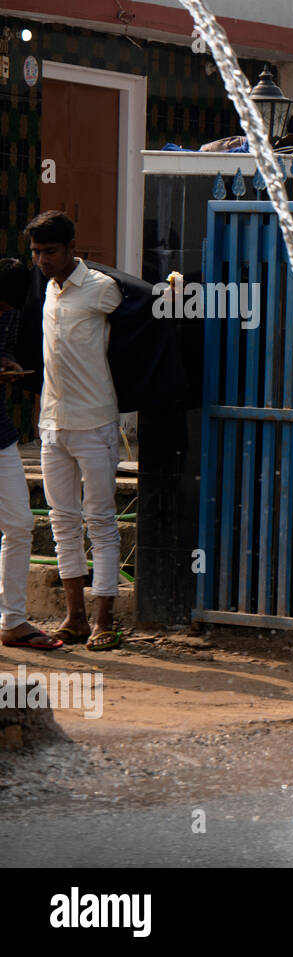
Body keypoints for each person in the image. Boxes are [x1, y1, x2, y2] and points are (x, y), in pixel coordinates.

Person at [24, 211, 123, 652]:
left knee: (100, 523)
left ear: (70, 248)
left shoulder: (102, 290)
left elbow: (141, 318)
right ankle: (75, 618)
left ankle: (105, 621)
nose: (42, 260)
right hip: (53, 425)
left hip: (95, 422)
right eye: (36, 252)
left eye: (49, 251)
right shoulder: (47, 289)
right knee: (63, 523)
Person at [0, 258, 57, 649]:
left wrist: (5, 364)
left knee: (19, 524)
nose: (4, 314)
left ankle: (13, 621)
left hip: (0, 434)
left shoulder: (14, 312)